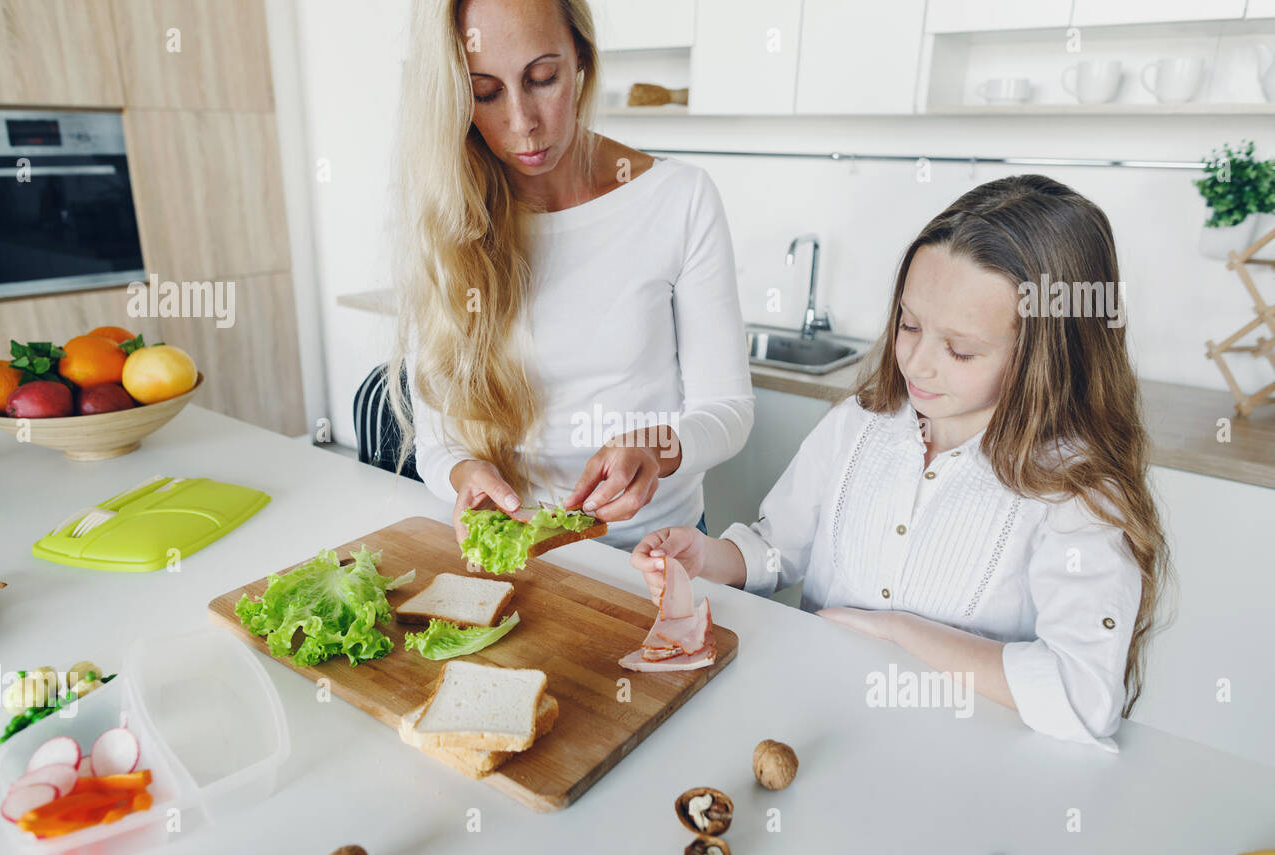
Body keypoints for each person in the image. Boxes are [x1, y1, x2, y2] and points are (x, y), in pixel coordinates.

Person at [631, 175, 1172, 752]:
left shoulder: (1078, 492)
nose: (917, 361)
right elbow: (778, 547)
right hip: (820, 731)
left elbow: (1083, 695)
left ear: (1049, 352)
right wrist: (708, 557)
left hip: (957, 769)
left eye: (961, 349)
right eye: (909, 324)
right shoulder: (859, 424)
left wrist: (894, 632)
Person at [386, 0, 753, 551]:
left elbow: (728, 410)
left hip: (657, 550)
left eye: (542, 78)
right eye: (485, 92)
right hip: (523, 557)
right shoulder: (447, 220)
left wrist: (658, 446)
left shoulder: (679, 198)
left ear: (580, 58)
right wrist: (463, 477)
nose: (523, 123)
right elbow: (440, 442)